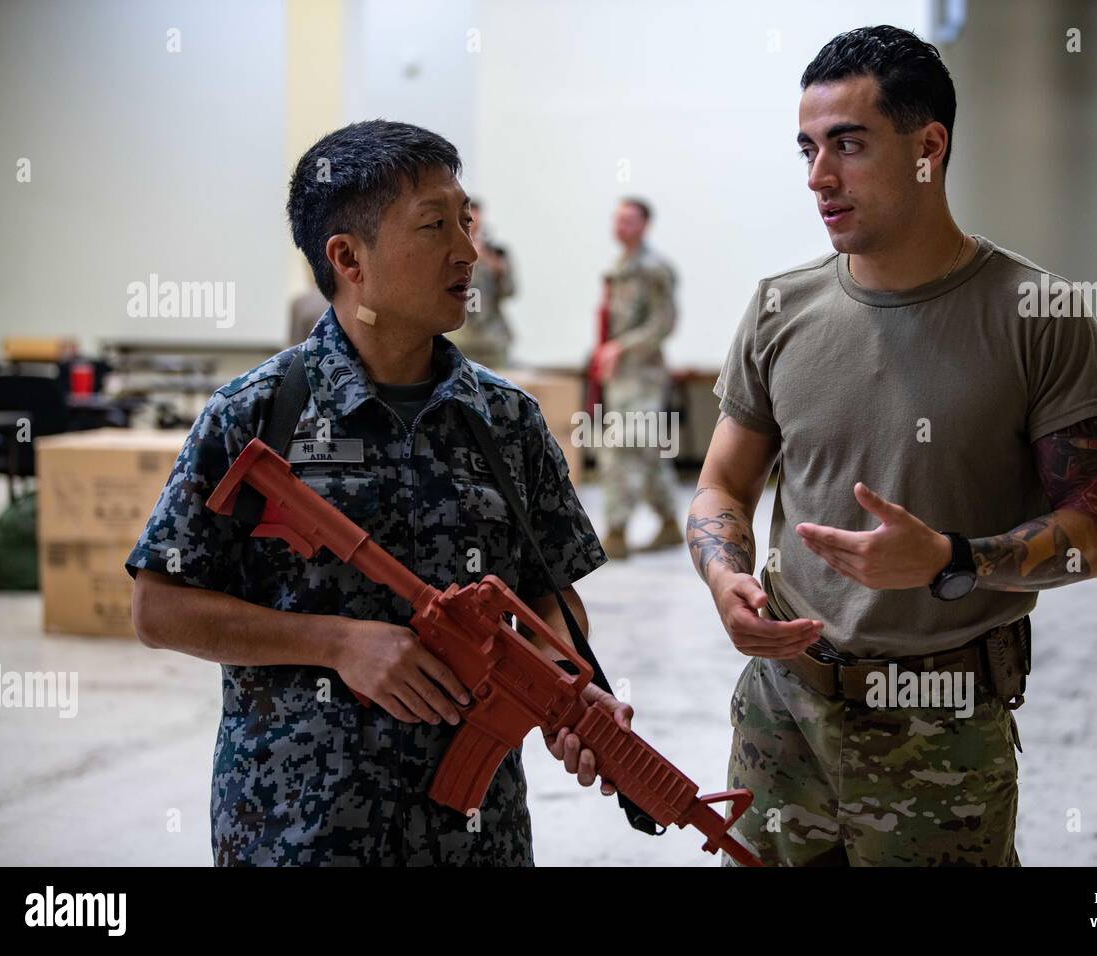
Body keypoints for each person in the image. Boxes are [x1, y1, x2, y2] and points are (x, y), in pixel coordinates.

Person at [126, 120, 628, 866]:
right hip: (297, 829)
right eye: (434, 226)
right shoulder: (257, 413)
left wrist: (560, 688)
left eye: (467, 221)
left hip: (474, 837)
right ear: (348, 257)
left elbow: (550, 590)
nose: (467, 252)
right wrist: (336, 644)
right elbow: (160, 608)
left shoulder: (505, 419)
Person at [688, 26, 1097, 867]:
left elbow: (1095, 535)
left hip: (943, 729)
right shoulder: (781, 308)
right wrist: (722, 577)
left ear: (929, 148)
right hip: (782, 720)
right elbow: (721, 489)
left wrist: (948, 559)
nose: (819, 176)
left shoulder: (1040, 315)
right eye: (808, 148)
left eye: (848, 145)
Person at [592, 198, 682, 559]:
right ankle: (670, 524)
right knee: (645, 451)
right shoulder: (619, 267)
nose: (621, 226)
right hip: (621, 375)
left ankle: (616, 531)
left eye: (629, 220)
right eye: (617, 219)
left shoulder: (654, 269)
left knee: (621, 448)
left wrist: (621, 348)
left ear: (645, 225)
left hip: (641, 374)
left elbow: (664, 323)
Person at [444, 197, 516, 369]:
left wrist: (494, 266)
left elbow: (510, 290)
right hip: (459, 337)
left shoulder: (496, 253)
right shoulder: (447, 252)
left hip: (491, 338)